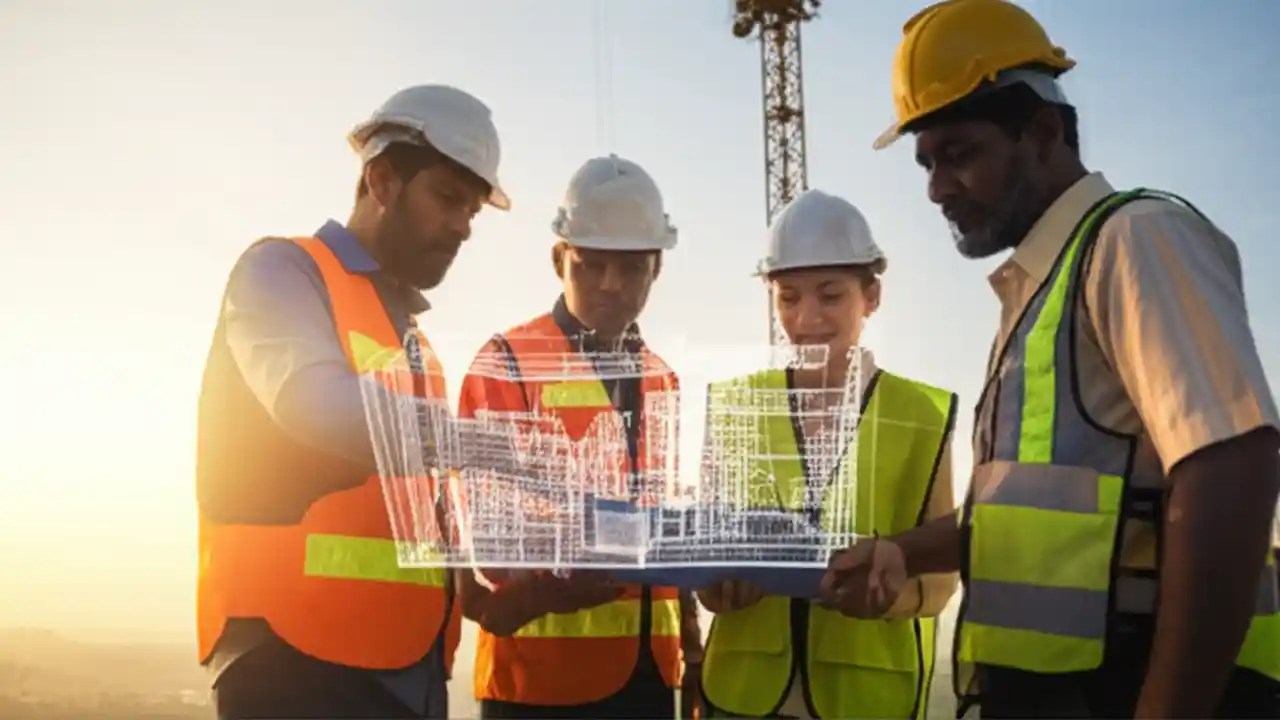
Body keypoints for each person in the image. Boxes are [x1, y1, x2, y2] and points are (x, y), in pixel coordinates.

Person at [824, 1, 1280, 718]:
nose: (938, 188)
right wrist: (902, 552)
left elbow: (1231, 468)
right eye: (927, 163)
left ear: (1042, 132)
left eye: (960, 154)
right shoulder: (1042, 290)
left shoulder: (1137, 240)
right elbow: (1029, 521)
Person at [195, 84, 509, 719]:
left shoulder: (415, 344)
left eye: (473, 212)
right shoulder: (283, 272)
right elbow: (314, 406)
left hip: (406, 669)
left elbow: (406, 515)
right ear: (383, 181)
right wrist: (485, 445)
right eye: (448, 199)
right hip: (294, 660)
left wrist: (496, 577)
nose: (462, 228)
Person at [453, 154, 703, 719]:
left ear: (656, 268)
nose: (612, 286)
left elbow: (664, 514)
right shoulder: (508, 362)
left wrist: (692, 648)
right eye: (590, 266)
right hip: (539, 685)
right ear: (558, 259)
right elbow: (489, 534)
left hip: (651, 675)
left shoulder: (662, 377)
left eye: (633, 267)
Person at [696, 189, 960, 719]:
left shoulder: (922, 413)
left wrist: (894, 597)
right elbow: (704, 546)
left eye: (830, 295)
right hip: (744, 692)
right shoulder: (732, 403)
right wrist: (715, 587)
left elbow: (943, 567)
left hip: (865, 695)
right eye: (788, 297)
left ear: (872, 296)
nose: (807, 317)